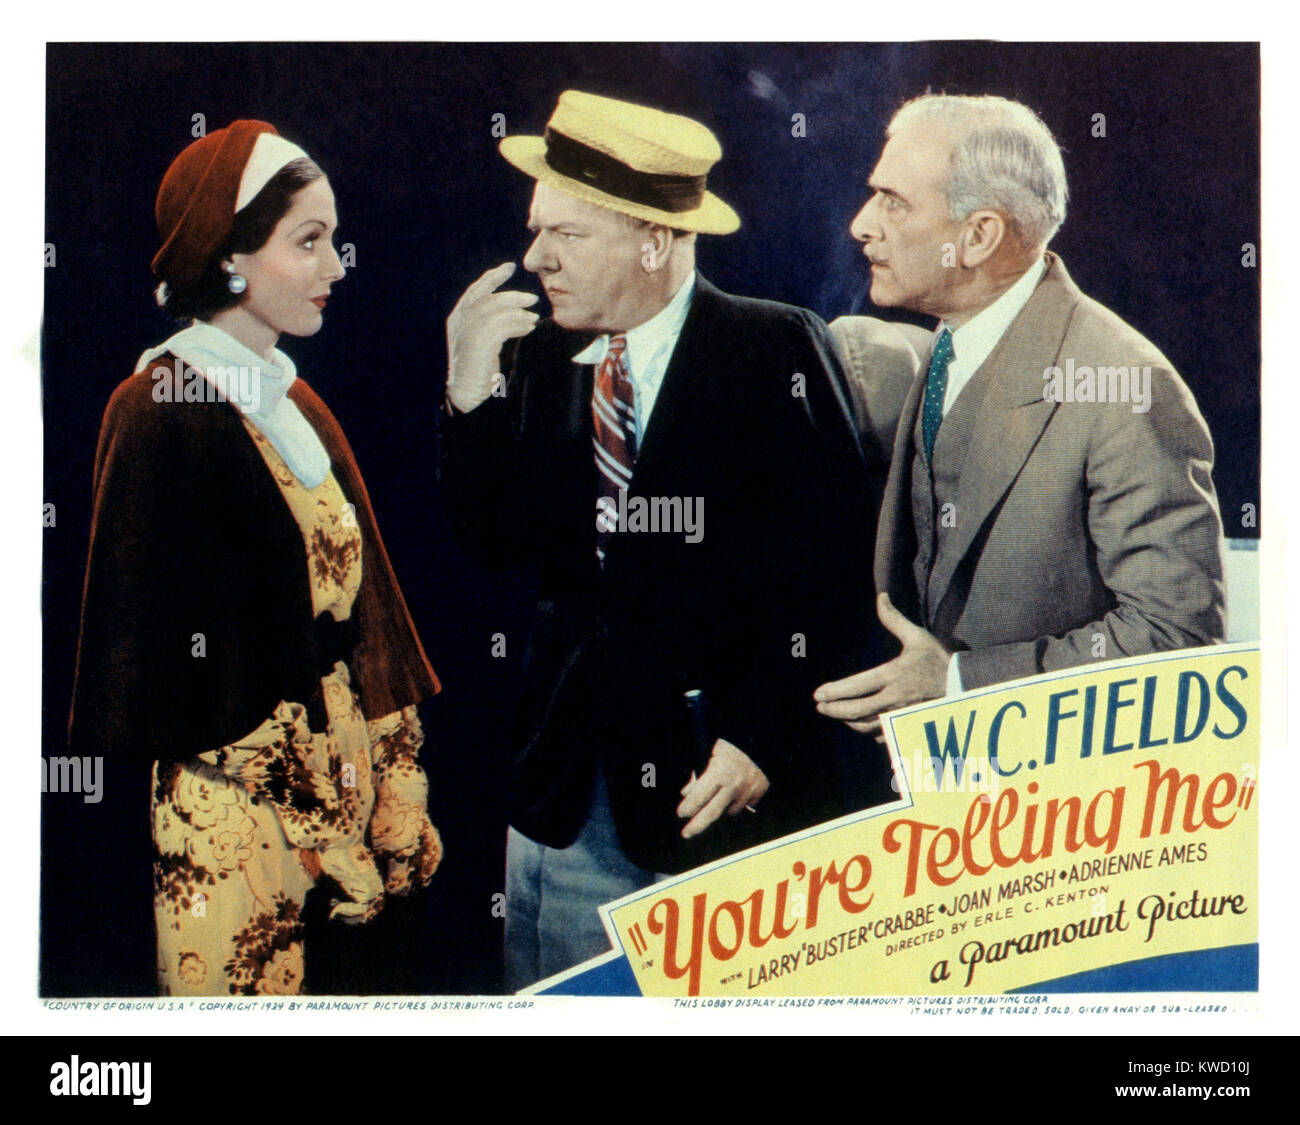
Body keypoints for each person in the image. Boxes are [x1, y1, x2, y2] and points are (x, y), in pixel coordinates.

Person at [438, 91, 897, 990]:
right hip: (567, 793)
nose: (536, 258)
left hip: (724, 796)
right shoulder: (536, 358)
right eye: (538, 231)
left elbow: (846, 581)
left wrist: (762, 738)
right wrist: (466, 394)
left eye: (565, 234)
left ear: (655, 240)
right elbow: (490, 541)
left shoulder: (774, 351)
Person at [68, 120, 443, 996]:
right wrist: (315, 825)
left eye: (333, 240)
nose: (335, 267)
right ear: (230, 257)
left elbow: (370, 611)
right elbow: (158, 657)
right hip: (235, 815)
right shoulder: (156, 403)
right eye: (307, 242)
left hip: (342, 780)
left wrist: (395, 779)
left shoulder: (297, 399)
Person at [816, 94, 1225, 737]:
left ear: (978, 237)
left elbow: (1176, 643)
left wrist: (955, 684)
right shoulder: (949, 341)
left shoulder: (1125, 386)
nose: (863, 224)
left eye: (894, 202)